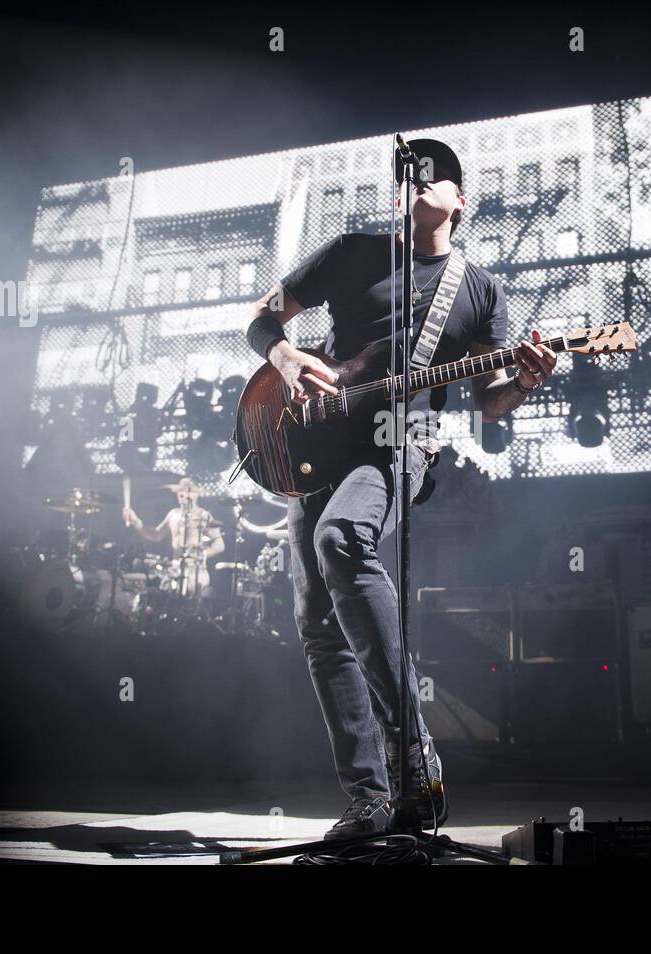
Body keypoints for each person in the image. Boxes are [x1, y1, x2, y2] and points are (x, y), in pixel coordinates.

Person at [243, 139, 559, 839]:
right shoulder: (352, 252)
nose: (416, 184)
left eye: (432, 176)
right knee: (320, 627)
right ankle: (369, 800)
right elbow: (261, 319)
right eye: (407, 176)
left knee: (342, 537)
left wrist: (528, 381)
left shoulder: (478, 290)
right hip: (315, 444)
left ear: (459, 199)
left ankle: (414, 755)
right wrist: (288, 356)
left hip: (399, 441)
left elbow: (489, 403)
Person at [122, 478, 225, 609]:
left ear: (196, 494)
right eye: (180, 492)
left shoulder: (204, 515)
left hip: (195, 572)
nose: (183, 495)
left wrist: (199, 556)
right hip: (174, 570)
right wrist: (136, 522)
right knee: (167, 605)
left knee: (190, 608)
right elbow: (156, 535)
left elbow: (219, 545)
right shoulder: (173, 514)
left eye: (188, 492)